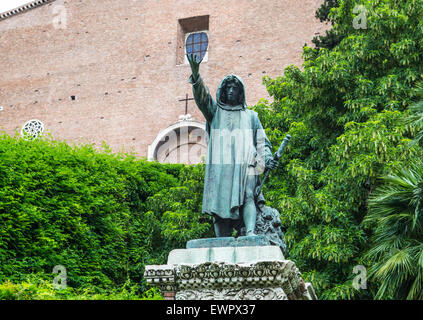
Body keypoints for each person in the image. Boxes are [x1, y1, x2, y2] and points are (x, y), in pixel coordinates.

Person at [187, 53, 278, 237]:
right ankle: (222, 240)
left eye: (234, 88)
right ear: (223, 90)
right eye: (227, 87)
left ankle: (250, 232)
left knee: (248, 194)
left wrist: (267, 158)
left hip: (247, 163)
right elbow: (203, 98)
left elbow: (262, 142)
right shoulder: (215, 112)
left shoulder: (251, 116)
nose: (230, 91)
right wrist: (196, 75)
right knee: (219, 203)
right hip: (222, 166)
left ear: (240, 92)